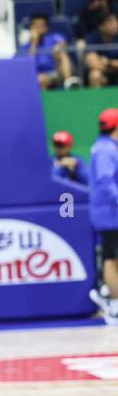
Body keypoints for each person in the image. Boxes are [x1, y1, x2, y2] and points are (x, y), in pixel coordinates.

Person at [90, 108, 118, 324]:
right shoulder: (105, 150)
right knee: (111, 257)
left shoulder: (107, 148)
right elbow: (105, 181)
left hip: (111, 212)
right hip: (110, 214)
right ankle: (115, 305)